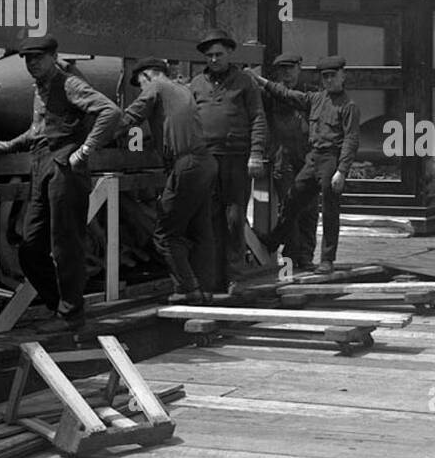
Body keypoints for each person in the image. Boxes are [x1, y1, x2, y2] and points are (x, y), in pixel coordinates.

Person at [0, 35, 120, 333]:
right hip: (41, 168)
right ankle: (61, 305)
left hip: (66, 172)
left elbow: (110, 111)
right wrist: (9, 145)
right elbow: (39, 131)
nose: (32, 64)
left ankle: (71, 315)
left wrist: (85, 150)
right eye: (28, 59)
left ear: (53, 56)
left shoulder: (69, 84)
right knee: (30, 248)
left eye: (38, 58)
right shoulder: (40, 89)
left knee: (66, 245)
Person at [120, 58, 217, 304]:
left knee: (165, 235)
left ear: (149, 76)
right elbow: (169, 127)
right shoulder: (180, 91)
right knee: (200, 230)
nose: (141, 89)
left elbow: (131, 118)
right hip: (204, 162)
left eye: (140, 83)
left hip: (186, 165)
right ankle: (205, 289)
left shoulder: (157, 86)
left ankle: (187, 289)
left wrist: (98, 136)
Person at [249, 55, 360, 273]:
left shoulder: (349, 106)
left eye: (332, 76)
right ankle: (274, 241)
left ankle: (326, 259)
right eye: (325, 76)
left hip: (330, 160)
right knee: (292, 202)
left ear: (342, 76)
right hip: (311, 159)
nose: (328, 80)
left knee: (328, 211)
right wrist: (259, 80)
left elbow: (351, 139)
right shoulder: (316, 98)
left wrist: (342, 171)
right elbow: (285, 94)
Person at [189, 29, 267, 293]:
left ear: (230, 53)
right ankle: (211, 280)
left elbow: (257, 117)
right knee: (209, 219)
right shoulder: (196, 84)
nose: (214, 59)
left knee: (234, 219)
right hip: (207, 159)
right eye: (209, 55)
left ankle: (235, 277)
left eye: (219, 54)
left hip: (237, 158)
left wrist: (256, 154)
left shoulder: (245, 82)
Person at [263, 53, 319, 271]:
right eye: (282, 69)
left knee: (310, 208)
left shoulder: (311, 92)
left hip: (308, 157)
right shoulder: (269, 94)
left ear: (299, 67)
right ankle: (290, 258)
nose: (287, 73)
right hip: (282, 156)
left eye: (290, 68)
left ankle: (305, 257)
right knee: (289, 207)